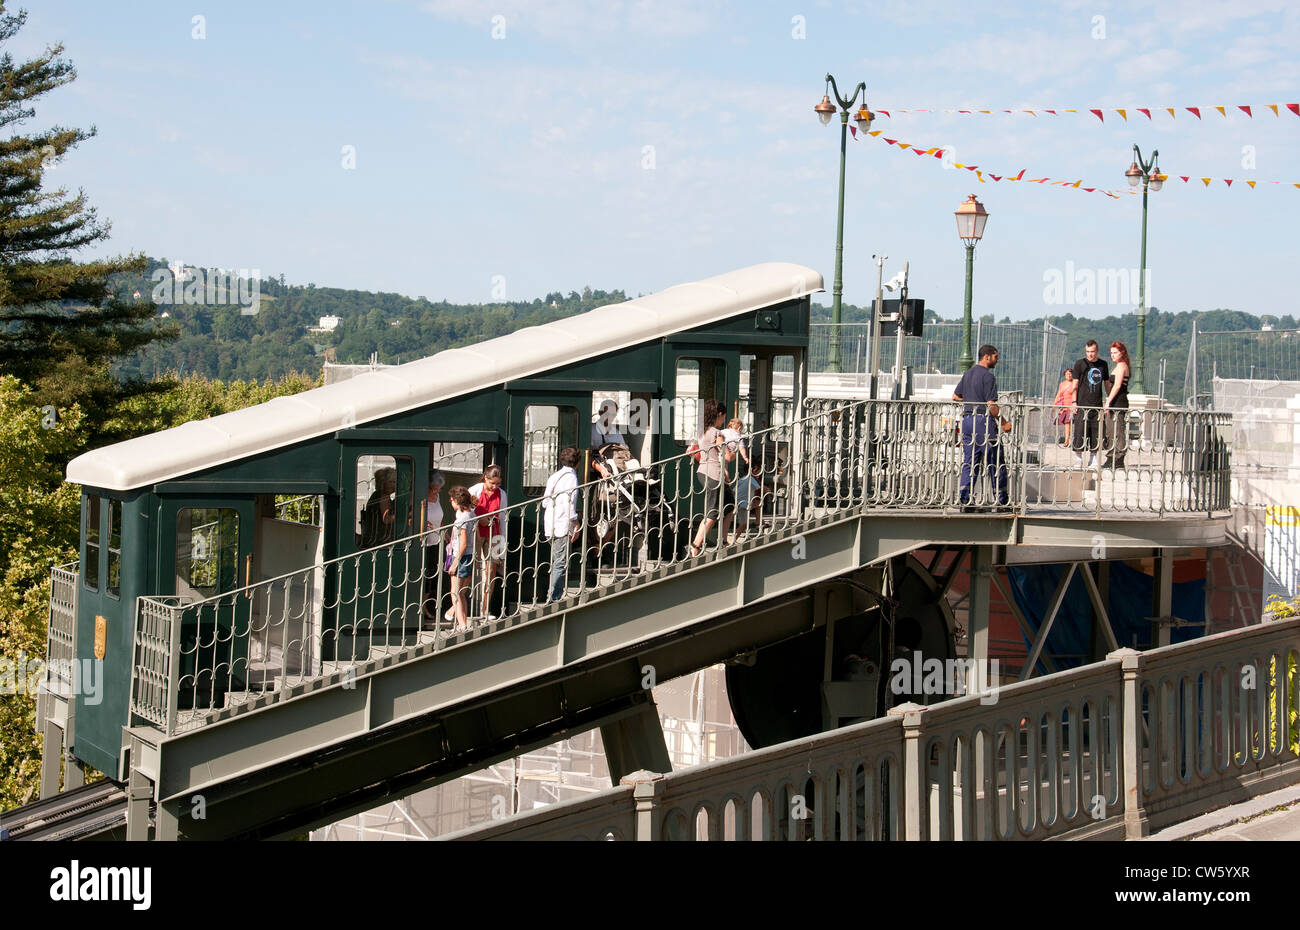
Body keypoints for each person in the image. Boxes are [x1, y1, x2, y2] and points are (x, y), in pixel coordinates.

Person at [952, 344, 1009, 508]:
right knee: (995, 460)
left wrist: (971, 402)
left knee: (970, 462)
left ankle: (965, 499)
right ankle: (1001, 499)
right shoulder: (988, 376)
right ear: (987, 357)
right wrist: (1004, 422)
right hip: (983, 422)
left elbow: (956, 396)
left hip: (968, 421)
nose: (997, 360)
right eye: (996, 357)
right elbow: (991, 404)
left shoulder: (968, 373)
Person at [690, 398, 735, 555]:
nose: (723, 420)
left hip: (704, 472)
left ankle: (723, 540)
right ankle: (695, 546)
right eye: (723, 417)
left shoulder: (702, 432)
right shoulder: (717, 433)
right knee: (712, 512)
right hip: (713, 474)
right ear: (720, 414)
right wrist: (734, 447)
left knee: (729, 504)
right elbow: (727, 457)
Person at [541, 447, 581, 602]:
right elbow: (568, 503)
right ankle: (553, 597)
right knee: (560, 562)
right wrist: (576, 523)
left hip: (550, 522)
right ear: (577, 462)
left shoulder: (555, 476)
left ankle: (553, 594)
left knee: (557, 559)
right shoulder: (571, 478)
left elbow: (545, 501)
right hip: (561, 524)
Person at [468, 464, 507, 619]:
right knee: (472, 568)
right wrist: (479, 519)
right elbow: (466, 511)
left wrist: (501, 544)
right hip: (476, 533)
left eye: (497, 483)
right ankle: (461, 605)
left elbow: (503, 518)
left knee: (491, 571)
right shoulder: (474, 491)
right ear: (485, 478)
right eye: (492, 483)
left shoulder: (501, 494)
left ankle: (485, 608)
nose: (494, 486)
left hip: (494, 533)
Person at [1070, 340, 1109, 467]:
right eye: (1088, 351)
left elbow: (1107, 384)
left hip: (1097, 404)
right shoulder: (1080, 364)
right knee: (1079, 432)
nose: (1090, 354)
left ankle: (1093, 458)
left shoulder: (1103, 364)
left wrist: (1109, 401)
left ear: (1097, 351)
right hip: (1082, 403)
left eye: (1092, 351)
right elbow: (1075, 385)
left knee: (1096, 433)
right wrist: (1074, 402)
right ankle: (1078, 458)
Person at [723, 418, 761, 536]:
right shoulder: (738, 436)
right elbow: (742, 448)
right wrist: (745, 458)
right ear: (739, 428)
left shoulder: (723, 432)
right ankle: (734, 537)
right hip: (743, 504)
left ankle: (728, 536)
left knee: (723, 468)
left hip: (720, 453)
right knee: (744, 522)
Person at [446, 485, 476, 631]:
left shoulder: (462, 519)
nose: (450, 502)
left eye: (451, 500)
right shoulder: (471, 515)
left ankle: (462, 624)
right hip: (469, 556)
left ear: (456, 501)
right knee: (461, 593)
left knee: (455, 593)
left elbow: (463, 543)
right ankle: (462, 623)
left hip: (462, 557)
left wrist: (454, 563)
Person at [422, 470, 448, 625]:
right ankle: (422, 608)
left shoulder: (437, 497)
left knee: (434, 576)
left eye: (438, 489)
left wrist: (445, 533)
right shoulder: (419, 496)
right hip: (424, 542)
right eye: (433, 489)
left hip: (437, 540)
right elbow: (411, 517)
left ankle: (428, 606)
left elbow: (440, 518)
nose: (436, 492)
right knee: (425, 576)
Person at [1104, 341, 1131, 469]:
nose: (1112, 355)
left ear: (1122, 352)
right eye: (1111, 353)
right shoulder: (1118, 366)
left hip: (1119, 401)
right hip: (1115, 401)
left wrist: (1108, 401)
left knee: (1118, 430)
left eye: (1115, 352)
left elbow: (1117, 385)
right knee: (1110, 430)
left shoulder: (1122, 366)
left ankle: (1119, 458)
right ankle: (1111, 456)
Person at [359, 466, 397, 548]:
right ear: (384, 483)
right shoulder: (384, 497)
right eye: (392, 482)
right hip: (380, 541)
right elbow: (386, 519)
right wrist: (401, 516)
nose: (395, 484)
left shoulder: (376, 495)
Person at [1052, 369, 1077, 446]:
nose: (1069, 375)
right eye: (1067, 374)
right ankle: (1067, 440)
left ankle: (1072, 440)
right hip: (1065, 406)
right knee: (1067, 423)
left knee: (1072, 423)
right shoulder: (1062, 384)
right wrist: (1055, 404)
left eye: (1070, 374)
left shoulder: (1075, 383)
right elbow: (1059, 394)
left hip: (1072, 405)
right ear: (1065, 375)